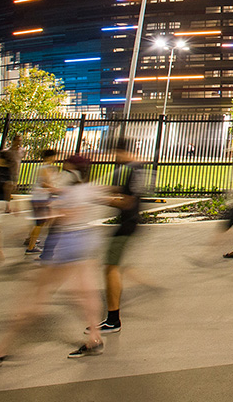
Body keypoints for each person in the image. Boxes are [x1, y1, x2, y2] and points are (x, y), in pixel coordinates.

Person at [0, 154, 107, 363]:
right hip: (86, 242)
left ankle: (0, 349)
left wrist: (36, 221)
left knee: (36, 296)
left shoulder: (69, 185)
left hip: (67, 244)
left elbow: (62, 213)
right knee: (85, 291)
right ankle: (95, 337)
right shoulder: (89, 188)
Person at [98, 142, 146, 332]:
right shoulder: (138, 168)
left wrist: (101, 199)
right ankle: (112, 317)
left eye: (116, 153)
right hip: (130, 223)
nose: (115, 157)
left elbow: (127, 202)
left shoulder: (134, 170)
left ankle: (113, 319)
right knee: (113, 267)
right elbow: (126, 191)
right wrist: (107, 189)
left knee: (111, 269)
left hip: (127, 224)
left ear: (124, 152)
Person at [26, 149, 61, 254]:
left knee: (42, 222)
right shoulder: (45, 168)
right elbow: (44, 183)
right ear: (50, 157)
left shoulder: (45, 168)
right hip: (40, 198)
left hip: (41, 198)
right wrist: (56, 189)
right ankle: (30, 247)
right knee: (40, 223)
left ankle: (31, 240)